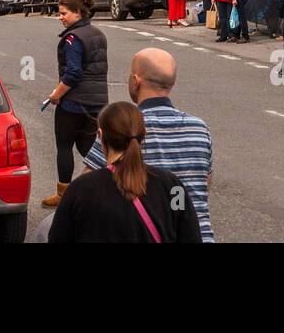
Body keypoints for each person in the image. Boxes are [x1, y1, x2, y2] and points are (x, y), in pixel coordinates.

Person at [82, 48, 214, 241]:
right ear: (172, 83)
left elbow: (89, 188)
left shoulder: (122, 125)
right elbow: (203, 186)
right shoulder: (200, 128)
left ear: (136, 81)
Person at [48, 101, 200, 244]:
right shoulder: (173, 187)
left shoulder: (80, 189)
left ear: (101, 136)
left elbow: (57, 238)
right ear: (144, 134)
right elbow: (190, 236)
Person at [41, 0, 108, 209]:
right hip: (97, 102)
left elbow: (73, 73)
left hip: (73, 102)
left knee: (64, 146)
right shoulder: (97, 33)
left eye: (64, 13)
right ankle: (108, 186)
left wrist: (56, 95)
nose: (60, 17)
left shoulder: (72, 39)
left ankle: (63, 194)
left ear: (77, 12)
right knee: (89, 146)